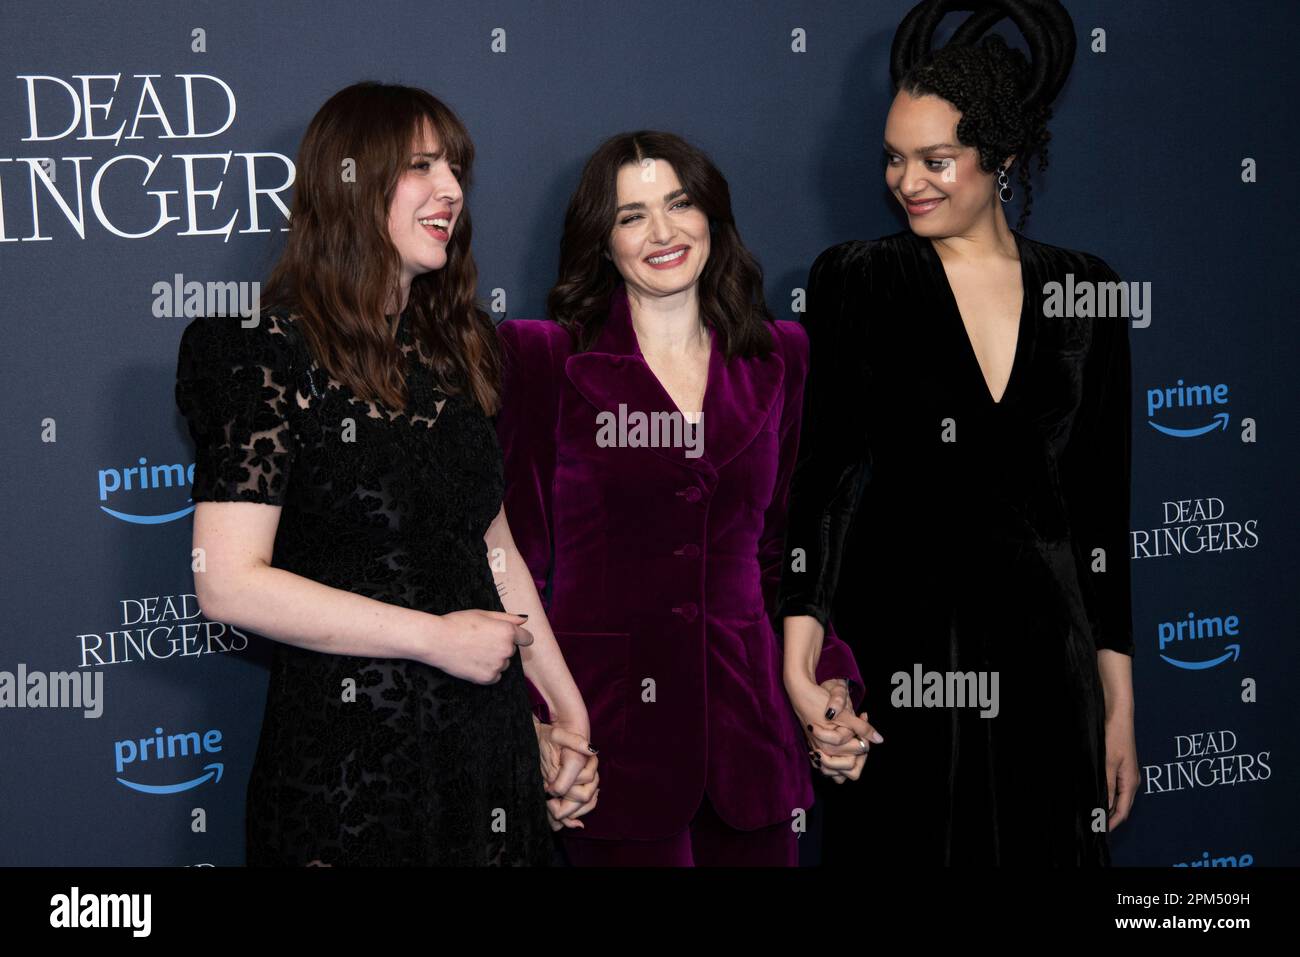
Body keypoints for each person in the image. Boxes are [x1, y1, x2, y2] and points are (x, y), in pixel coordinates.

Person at [174, 81, 596, 866]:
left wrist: (566, 712)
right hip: (347, 769)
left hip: (483, 754)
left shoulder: (456, 350)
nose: (451, 190)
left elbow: (493, 552)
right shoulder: (258, 351)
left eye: (456, 169)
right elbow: (227, 581)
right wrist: (435, 639)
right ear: (350, 182)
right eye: (420, 167)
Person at [777, 0, 1139, 865]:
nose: (910, 182)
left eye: (937, 160)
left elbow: (1099, 512)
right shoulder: (858, 279)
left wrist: (1118, 705)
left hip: (1048, 657)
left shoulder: (1086, 289)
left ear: (1003, 159)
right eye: (896, 160)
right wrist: (802, 662)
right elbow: (820, 485)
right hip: (902, 639)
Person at [494, 131, 865, 866]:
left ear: (712, 218)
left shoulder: (782, 354)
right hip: (604, 747)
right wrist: (539, 726)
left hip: (752, 740)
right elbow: (517, 566)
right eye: (632, 216)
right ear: (602, 241)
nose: (662, 232)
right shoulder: (542, 358)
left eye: (679, 203)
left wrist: (832, 681)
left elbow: (782, 552)